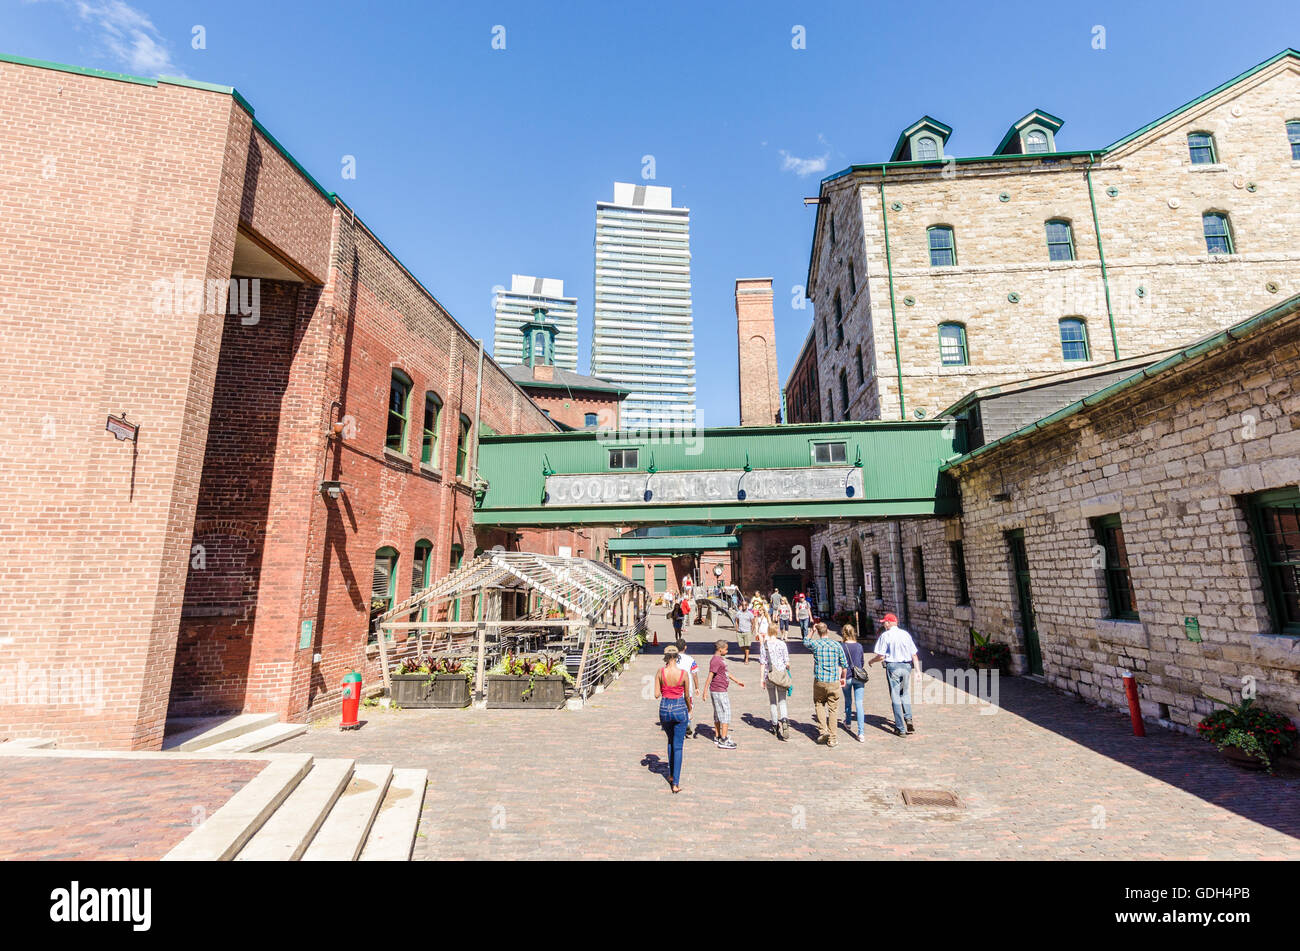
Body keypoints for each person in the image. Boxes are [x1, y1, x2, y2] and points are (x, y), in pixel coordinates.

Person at [869, 613, 921, 737]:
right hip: (906, 666)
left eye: (884, 622)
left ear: (889, 622)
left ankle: (900, 727)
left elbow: (881, 656)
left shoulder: (886, 636)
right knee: (905, 693)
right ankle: (908, 718)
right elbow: (914, 654)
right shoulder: (906, 635)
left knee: (896, 696)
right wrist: (918, 671)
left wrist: (871, 661)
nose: (883, 624)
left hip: (893, 667)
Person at [802, 621, 848, 747]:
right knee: (833, 709)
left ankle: (823, 730)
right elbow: (844, 664)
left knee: (819, 704)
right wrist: (842, 677)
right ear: (827, 630)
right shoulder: (836, 645)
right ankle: (832, 738)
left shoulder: (816, 644)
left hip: (820, 681)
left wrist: (811, 631)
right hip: (833, 680)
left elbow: (805, 641)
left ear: (818, 632)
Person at [654, 646, 691, 792]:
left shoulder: (660, 672)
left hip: (664, 708)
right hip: (679, 706)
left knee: (670, 741)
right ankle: (675, 782)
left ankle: (670, 774)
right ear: (677, 657)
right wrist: (689, 708)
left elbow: (657, 694)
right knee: (678, 746)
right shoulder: (683, 674)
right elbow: (687, 695)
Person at [707, 638, 744, 748]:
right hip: (719, 690)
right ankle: (723, 739)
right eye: (726, 649)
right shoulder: (716, 660)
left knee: (718, 713)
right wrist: (704, 690)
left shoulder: (719, 660)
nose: (727, 651)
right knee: (725, 713)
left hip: (717, 689)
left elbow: (726, 672)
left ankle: (718, 736)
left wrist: (736, 681)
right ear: (720, 649)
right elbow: (710, 675)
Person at [759, 628, 791, 740]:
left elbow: (762, 662)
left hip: (770, 676)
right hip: (781, 675)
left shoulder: (765, 645)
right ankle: (785, 719)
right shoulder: (782, 644)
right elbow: (787, 662)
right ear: (776, 632)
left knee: (773, 701)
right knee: (782, 701)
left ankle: (774, 724)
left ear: (768, 632)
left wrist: (761, 678)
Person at [840, 624, 868, 742]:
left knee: (848, 700)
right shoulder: (859, 646)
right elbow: (862, 662)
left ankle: (848, 722)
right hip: (858, 677)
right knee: (859, 704)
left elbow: (840, 663)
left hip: (846, 677)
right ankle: (861, 733)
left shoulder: (841, 646)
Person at [676, 638, 700, 739]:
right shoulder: (690, 659)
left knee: (677, 707)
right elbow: (694, 674)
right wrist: (697, 687)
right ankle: (687, 724)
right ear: (685, 647)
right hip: (687, 687)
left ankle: (678, 726)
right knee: (688, 706)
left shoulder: (672, 659)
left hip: (675, 688)